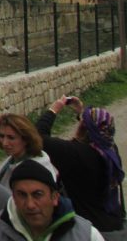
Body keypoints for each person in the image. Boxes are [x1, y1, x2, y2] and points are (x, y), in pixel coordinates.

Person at [37, 96, 125, 238]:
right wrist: (81, 113)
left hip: (88, 232)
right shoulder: (110, 150)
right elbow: (95, 131)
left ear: (83, 128)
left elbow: (38, 137)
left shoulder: (76, 154)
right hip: (114, 227)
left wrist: (55, 108)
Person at [0, 159, 105, 241]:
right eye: (22, 195)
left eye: (37, 194)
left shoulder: (85, 235)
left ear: (54, 197)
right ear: (14, 198)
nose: (30, 205)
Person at [0, 113, 58, 188]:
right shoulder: (12, 159)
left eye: (11, 137)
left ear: (26, 139)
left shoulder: (37, 169)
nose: (4, 143)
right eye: (1, 136)